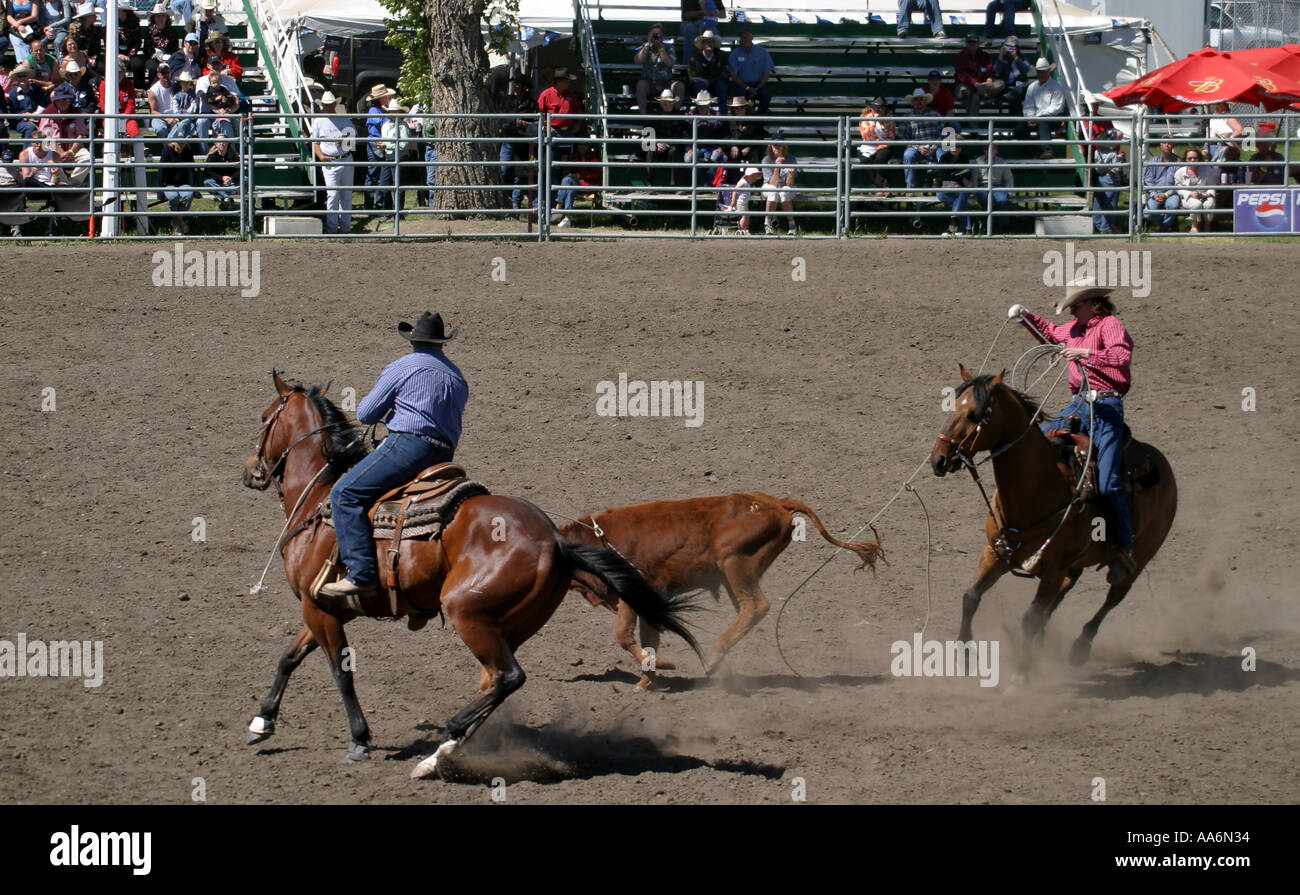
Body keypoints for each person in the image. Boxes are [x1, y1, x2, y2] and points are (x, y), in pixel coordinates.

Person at [322, 312, 468, 602]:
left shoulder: (403, 366)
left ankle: (360, 574)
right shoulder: (457, 377)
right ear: (442, 343)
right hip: (443, 455)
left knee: (345, 493)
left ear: (412, 339)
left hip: (407, 447)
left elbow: (365, 414)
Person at [1008, 282, 1137, 583]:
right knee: (1033, 441)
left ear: (1093, 303)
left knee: (1107, 483)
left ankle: (1124, 548)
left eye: (1075, 306)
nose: (1072, 311)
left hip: (1106, 408)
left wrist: (1086, 354)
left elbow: (1121, 358)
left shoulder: (1110, 325)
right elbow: (1050, 334)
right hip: (1077, 404)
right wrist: (1025, 316)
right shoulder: (1072, 329)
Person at [310, 90, 355, 234]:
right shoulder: (318, 121)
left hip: (345, 158)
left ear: (334, 104)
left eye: (330, 104)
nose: (328, 107)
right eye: (326, 105)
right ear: (322, 105)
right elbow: (315, 143)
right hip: (330, 161)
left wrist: (344, 140)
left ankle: (345, 228)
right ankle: (332, 228)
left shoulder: (343, 119)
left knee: (346, 195)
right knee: (333, 195)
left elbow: (352, 138)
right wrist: (321, 156)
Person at [900, 87, 942, 193]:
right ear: (913, 102)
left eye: (921, 99)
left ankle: (941, 185)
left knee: (943, 155)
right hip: (915, 147)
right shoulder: (907, 116)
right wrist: (917, 146)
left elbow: (943, 134)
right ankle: (910, 187)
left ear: (925, 101)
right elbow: (903, 136)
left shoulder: (936, 115)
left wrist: (934, 146)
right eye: (917, 99)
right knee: (908, 155)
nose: (919, 102)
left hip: (934, 146)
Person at [1021, 57, 1065, 159]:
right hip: (1037, 118)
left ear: (1048, 71)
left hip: (1053, 119)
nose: (1041, 74)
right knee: (1019, 129)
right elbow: (1028, 106)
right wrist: (1030, 117)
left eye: (1043, 71)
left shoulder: (1056, 86)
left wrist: (1037, 116)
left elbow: (1057, 107)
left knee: (1043, 120)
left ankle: (1047, 150)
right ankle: (1033, 153)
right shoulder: (1032, 87)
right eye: (1039, 72)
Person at [635, 24, 682, 116]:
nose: (656, 37)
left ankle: (675, 113)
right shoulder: (645, 48)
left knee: (679, 86)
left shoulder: (669, 47)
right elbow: (639, 60)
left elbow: (670, 63)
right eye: (654, 35)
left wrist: (661, 48)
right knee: (641, 85)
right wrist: (647, 44)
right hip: (649, 83)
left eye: (658, 35)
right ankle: (643, 115)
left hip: (666, 83)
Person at [363, 83, 394, 211]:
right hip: (375, 146)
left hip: (379, 145)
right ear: (381, 98)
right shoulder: (374, 111)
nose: (388, 98)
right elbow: (383, 122)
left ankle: (379, 204)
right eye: (386, 96)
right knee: (374, 175)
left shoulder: (379, 110)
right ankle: (370, 204)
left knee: (380, 175)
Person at [727, 29, 773, 116]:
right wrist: (747, 88)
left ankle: (759, 119)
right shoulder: (735, 53)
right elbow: (734, 76)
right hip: (741, 85)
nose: (743, 40)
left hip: (758, 85)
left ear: (752, 38)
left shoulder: (762, 52)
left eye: (745, 37)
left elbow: (766, 73)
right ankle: (743, 121)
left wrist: (757, 88)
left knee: (766, 96)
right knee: (741, 96)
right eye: (742, 38)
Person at [954, 36, 999, 123]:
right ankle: (986, 95)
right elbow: (961, 75)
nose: (972, 44)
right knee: (965, 91)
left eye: (974, 42)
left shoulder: (985, 55)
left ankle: (973, 129)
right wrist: (975, 83)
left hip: (982, 86)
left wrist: (989, 80)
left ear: (978, 43)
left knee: (1001, 84)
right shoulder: (960, 56)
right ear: (966, 43)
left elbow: (990, 70)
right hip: (966, 86)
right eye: (969, 42)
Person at [1090, 129, 1127, 235]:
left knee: (1098, 202)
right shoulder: (1114, 154)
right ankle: (1106, 227)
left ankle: (1097, 223)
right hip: (1111, 178)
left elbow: (1098, 168)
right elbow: (1116, 169)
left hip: (1101, 177)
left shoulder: (1097, 152)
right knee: (1110, 204)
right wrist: (1120, 160)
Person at [158, 133, 195, 233]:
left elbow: (191, 170)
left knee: (188, 195)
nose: (181, 144)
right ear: (173, 143)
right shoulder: (167, 150)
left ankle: (176, 221)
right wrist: (160, 190)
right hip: (169, 183)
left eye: (183, 142)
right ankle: (180, 222)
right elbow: (161, 171)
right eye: (179, 142)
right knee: (172, 196)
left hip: (183, 183)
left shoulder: (188, 150)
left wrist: (195, 188)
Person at [935, 135, 972, 234]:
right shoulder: (944, 158)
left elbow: (967, 177)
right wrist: (956, 181)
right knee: (962, 196)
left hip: (959, 191)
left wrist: (958, 179)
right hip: (944, 191)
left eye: (958, 145)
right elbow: (940, 181)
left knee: (961, 195)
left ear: (962, 148)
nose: (955, 148)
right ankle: (966, 228)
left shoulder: (964, 159)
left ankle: (955, 223)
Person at [1142, 139, 1180, 231]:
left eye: (1169, 143)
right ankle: (1165, 224)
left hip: (1172, 193)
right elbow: (1148, 180)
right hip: (1156, 193)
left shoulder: (1179, 161)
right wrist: (1154, 194)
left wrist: (1166, 194)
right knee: (1147, 213)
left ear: (1173, 145)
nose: (1167, 145)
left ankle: (1163, 228)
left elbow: (1179, 182)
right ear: (1160, 145)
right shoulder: (1152, 161)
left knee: (1173, 206)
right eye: (1164, 142)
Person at [857, 99, 895, 191]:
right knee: (865, 161)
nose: (878, 110)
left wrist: (882, 145)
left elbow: (891, 136)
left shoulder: (889, 117)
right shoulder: (865, 117)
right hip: (868, 145)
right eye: (875, 108)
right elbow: (865, 135)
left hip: (884, 145)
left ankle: (879, 187)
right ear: (871, 108)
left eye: (881, 108)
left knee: (881, 158)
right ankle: (882, 186)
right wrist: (874, 122)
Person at [760, 139, 796, 235]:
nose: (777, 147)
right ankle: (767, 225)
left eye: (780, 145)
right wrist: (776, 167)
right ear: (770, 146)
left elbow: (789, 184)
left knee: (784, 192)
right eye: (775, 145)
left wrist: (791, 175)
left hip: (785, 187)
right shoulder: (766, 160)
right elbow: (773, 184)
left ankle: (792, 226)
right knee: (773, 191)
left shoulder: (791, 159)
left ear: (784, 146)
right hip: (770, 186)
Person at [1174, 148, 1214, 233]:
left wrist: (1207, 194)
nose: (1192, 160)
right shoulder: (1179, 172)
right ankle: (1194, 226)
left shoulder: (1207, 169)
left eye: (1195, 158)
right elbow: (1179, 188)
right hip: (1188, 197)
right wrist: (1190, 194)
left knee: (1209, 204)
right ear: (1185, 159)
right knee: (1196, 204)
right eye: (1189, 158)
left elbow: (1212, 186)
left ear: (1199, 158)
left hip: (1204, 195)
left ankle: (1207, 225)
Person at [687, 29, 727, 110]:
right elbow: (692, 76)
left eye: (711, 41)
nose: (709, 43)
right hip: (700, 85)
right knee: (700, 86)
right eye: (706, 41)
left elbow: (724, 74)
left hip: (716, 84)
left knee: (721, 86)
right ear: (702, 44)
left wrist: (711, 81)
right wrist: (704, 81)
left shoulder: (720, 57)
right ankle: (703, 113)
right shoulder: (695, 58)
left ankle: (723, 116)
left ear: (714, 43)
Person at [536, 67, 581, 138]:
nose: (568, 83)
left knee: (567, 149)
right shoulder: (545, 95)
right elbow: (539, 113)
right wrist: (546, 127)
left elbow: (577, 110)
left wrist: (577, 123)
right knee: (551, 149)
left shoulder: (571, 96)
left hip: (568, 131)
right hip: (552, 131)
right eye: (566, 81)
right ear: (558, 81)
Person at [993, 34, 1030, 116]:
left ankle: (1007, 97)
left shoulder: (1022, 57)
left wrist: (1016, 57)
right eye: (1007, 46)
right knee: (1015, 96)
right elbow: (996, 71)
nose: (1009, 49)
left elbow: (1026, 70)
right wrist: (1001, 56)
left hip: (1020, 86)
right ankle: (1017, 122)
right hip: (1007, 87)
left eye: (1012, 47)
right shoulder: (1001, 58)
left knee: (1024, 87)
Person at [202, 133, 237, 211]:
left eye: (224, 141)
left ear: (228, 142)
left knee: (245, 179)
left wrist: (231, 178)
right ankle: (227, 197)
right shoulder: (212, 156)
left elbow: (238, 170)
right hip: (217, 182)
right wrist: (222, 178)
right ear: (215, 143)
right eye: (219, 141)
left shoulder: (233, 155)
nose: (222, 143)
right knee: (207, 182)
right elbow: (208, 172)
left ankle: (226, 197)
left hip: (230, 182)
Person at [680, 0, 722, 65]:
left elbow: (723, 14)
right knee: (690, 29)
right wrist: (704, 12)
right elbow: (687, 15)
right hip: (689, 22)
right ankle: (687, 65)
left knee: (714, 33)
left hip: (708, 23)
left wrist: (716, 12)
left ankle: (714, 65)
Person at [146, 60, 175, 135]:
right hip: (160, 117)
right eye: (163, 73)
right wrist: (167, 118)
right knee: (160, 129)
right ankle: (168, 146)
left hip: (175, 115)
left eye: (167, 72)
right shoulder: (153, 90)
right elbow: (153, 111)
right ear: (158, 75)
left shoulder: (176, 86)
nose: (166, 75)